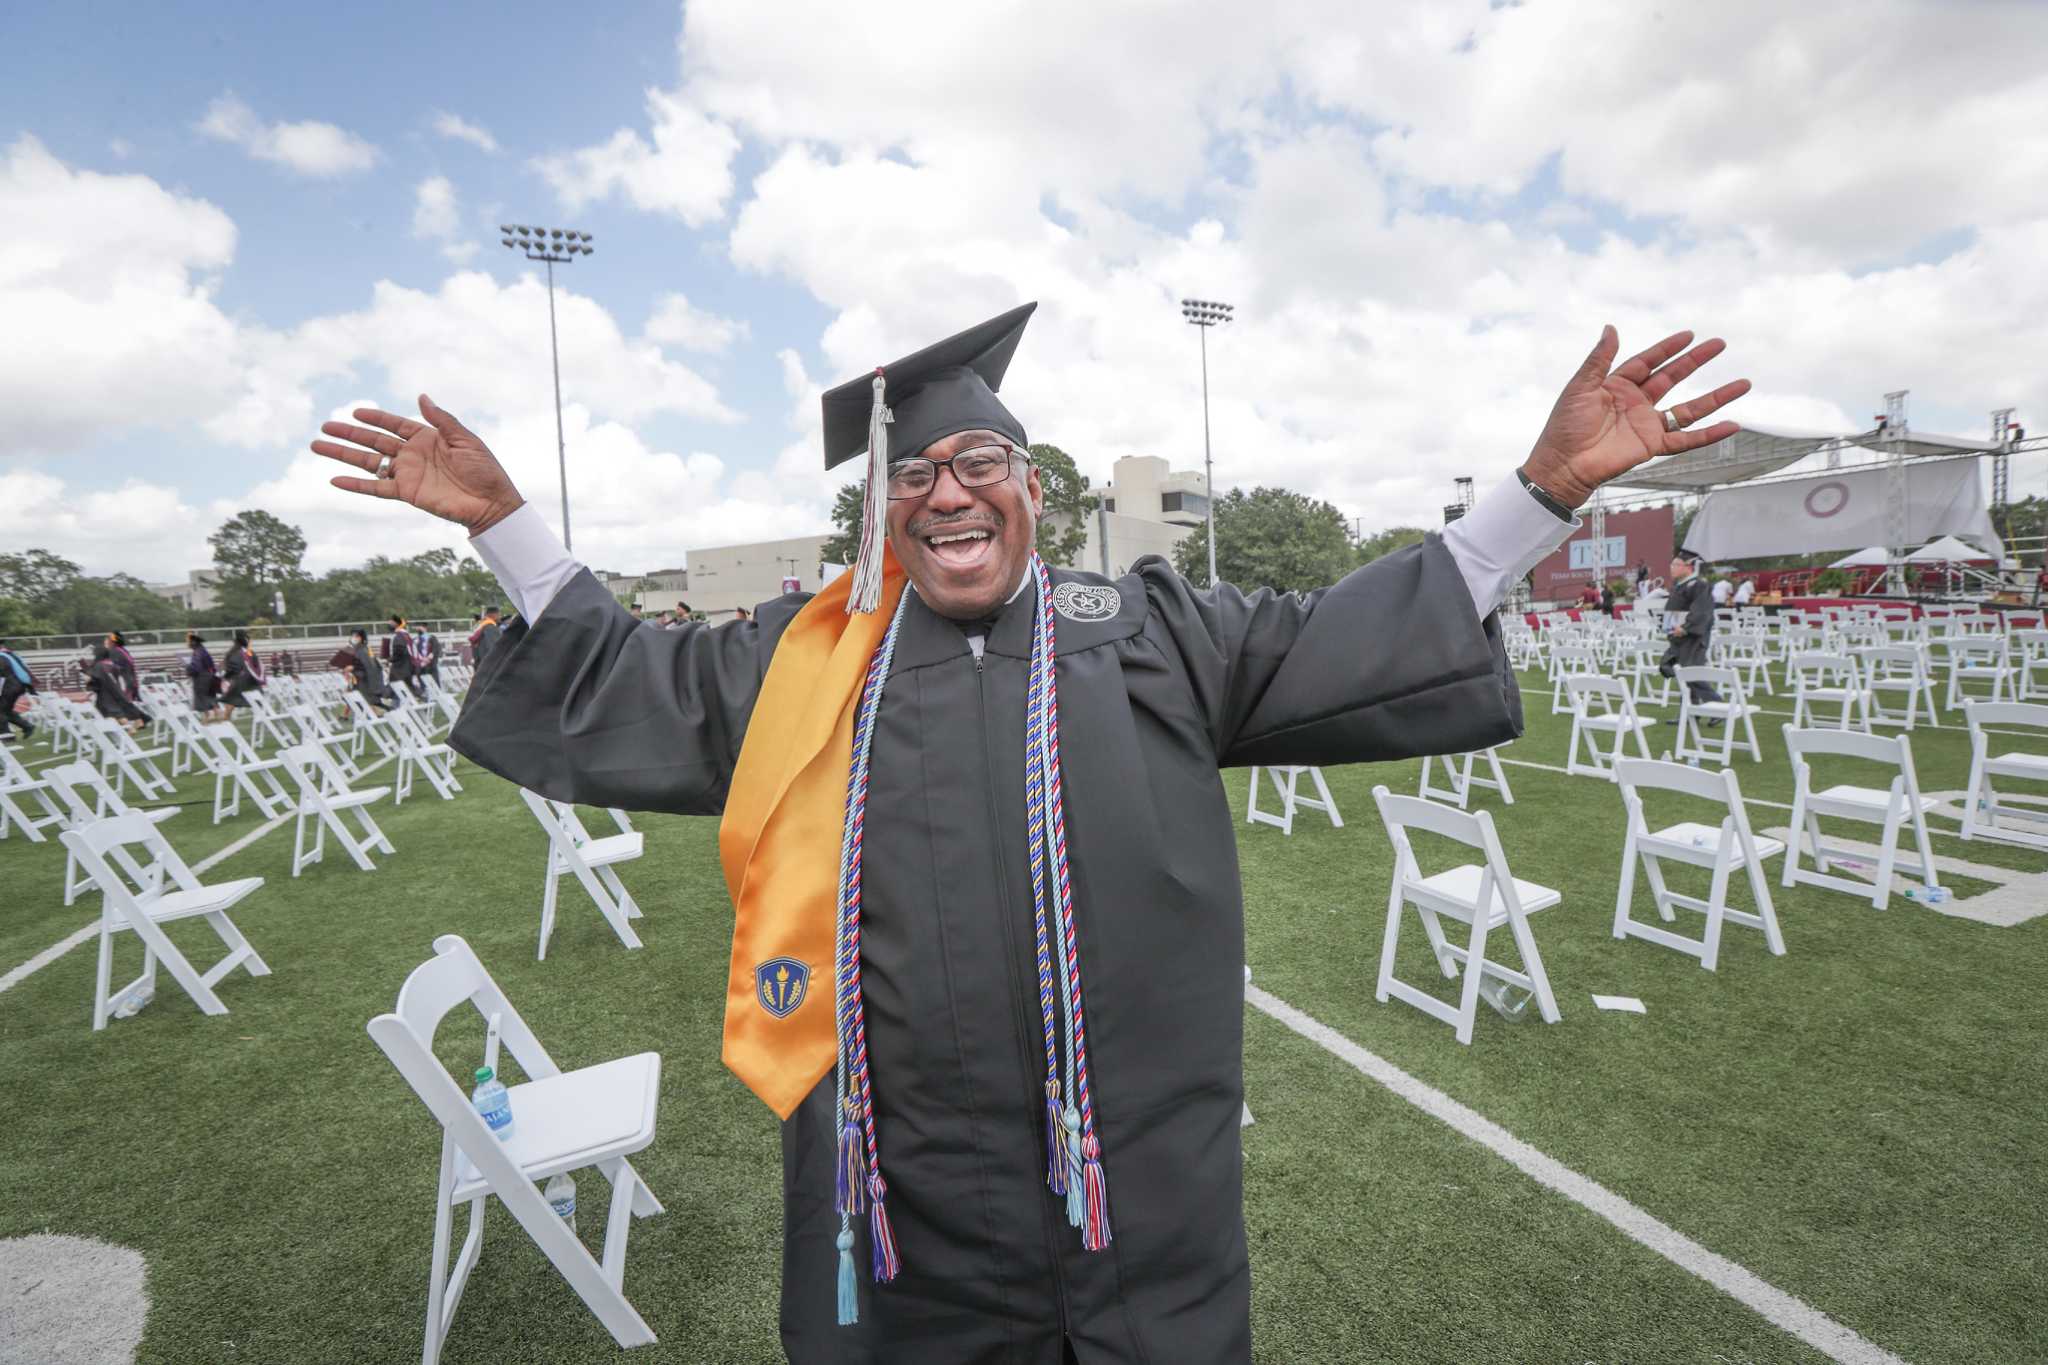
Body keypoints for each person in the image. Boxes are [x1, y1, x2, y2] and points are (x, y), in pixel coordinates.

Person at [314, 307, 1747, 1363]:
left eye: (979, 459)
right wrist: (503, 524)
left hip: (1138, 1203)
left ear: (1030, 489)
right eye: (914, 473)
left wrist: (1544, 492)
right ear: (883, 513)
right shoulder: (803, 664)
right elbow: (623, 676)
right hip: (903, 1218)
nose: (948, 489)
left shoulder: (1153, 635)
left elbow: (1353, 639)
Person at [1660, 553, 1721, 716]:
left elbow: (1702, 612)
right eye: (1671, 565)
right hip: (1678, 636)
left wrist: (1687, 627)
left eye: (1676, 565)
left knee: (1689, 674)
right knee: (1679, 671)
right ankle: (1689, 713)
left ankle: (1718, 706)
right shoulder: (1680, 586)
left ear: (1688, 567)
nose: (1671, 568)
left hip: (1693, 637)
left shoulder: (1699, 585)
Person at [87, 643, 149, 729]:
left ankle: (130, 727)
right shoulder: (111, 663)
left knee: (112, 711)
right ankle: (137, 722)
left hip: (107, 692)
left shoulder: (99, 665)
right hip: (118, 688)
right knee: (121, 707)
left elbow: (92, 678)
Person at [347, 628, 400, 709]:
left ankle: (388, 709)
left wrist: (353, 668)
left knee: (364, 703)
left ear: (361, 637)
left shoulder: (363, 650)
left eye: (356, 636)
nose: (353, 638)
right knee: (361, 703)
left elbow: (369, 666)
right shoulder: (359, 649)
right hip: (359, 680)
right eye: (352, 636)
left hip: (364, 681)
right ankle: (387, 709)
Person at [219, 630, 266, 713]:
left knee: (231, 699)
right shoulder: (247, 652)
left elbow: (228, 668)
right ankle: (262, 715)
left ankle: (225, 718)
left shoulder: (233, 652)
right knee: (257, 698)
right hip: (248, 683)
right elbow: (256, 665)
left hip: (239, 682)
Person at [0, 639, 37, 741]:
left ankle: (7, 737)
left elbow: (2, 674)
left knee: (1, 711)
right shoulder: (8, 654)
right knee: (6, 710)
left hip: (11, 686)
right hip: (18, 685)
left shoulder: (2, 657)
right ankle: (27, 726)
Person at [185, 631, 224, 721]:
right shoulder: (203, 650)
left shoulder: (197, 652)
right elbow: (212, 666)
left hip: (201, 678)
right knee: (211, 696)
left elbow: (196, 667)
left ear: (193, 642)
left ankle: (207, 718)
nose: (187, 644)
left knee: (201, 697)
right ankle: (218, 715)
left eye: (188, 641)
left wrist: (188, 669)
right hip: (209, 676)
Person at [387, 615, 426, 699]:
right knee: (405, 691)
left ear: (397, 624)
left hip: (400, 669)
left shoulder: (399, 636)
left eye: (391, 622)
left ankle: (396, 709)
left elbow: (399, 652)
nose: (389, 623)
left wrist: (389, 660)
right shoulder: (405, 635)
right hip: (406, 668)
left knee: (399, 692)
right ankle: (419, 696)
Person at [107, 630, 142, 703]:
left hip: (124, 684)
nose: (107, 642)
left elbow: (114, 667)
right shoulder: (123, 651)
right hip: (131, 682)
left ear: (113, 642)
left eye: (109, 640)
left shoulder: (115, 651)